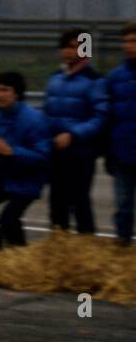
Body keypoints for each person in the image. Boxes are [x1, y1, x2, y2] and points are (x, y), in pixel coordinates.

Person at [0, 72, 51, 252]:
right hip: (2, 174)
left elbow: (44, 156)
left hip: (28, 178)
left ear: (17, 94)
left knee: (9, 219)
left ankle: (19, 260)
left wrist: (12, 152)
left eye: (5, 90)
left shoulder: (34, 119)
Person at [43, 28, 109, 235]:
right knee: (56, 201)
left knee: (80, 201)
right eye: (65, 46)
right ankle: (59, 245)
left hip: (81, 151)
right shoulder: (55, 78)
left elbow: (101, 117)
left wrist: (74, 134)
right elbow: (47, 112)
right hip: (56, 149)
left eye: (74, 46)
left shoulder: (95, 81)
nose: (67, 51)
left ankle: (86, 248)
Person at [104, 21, 136, 246]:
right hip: (122, 151)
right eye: (125, 41)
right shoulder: (115, 77)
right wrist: (108, 150)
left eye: (133, 41)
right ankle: (122, 244)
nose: (128, 46)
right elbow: (107, 116)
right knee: (123, 204)